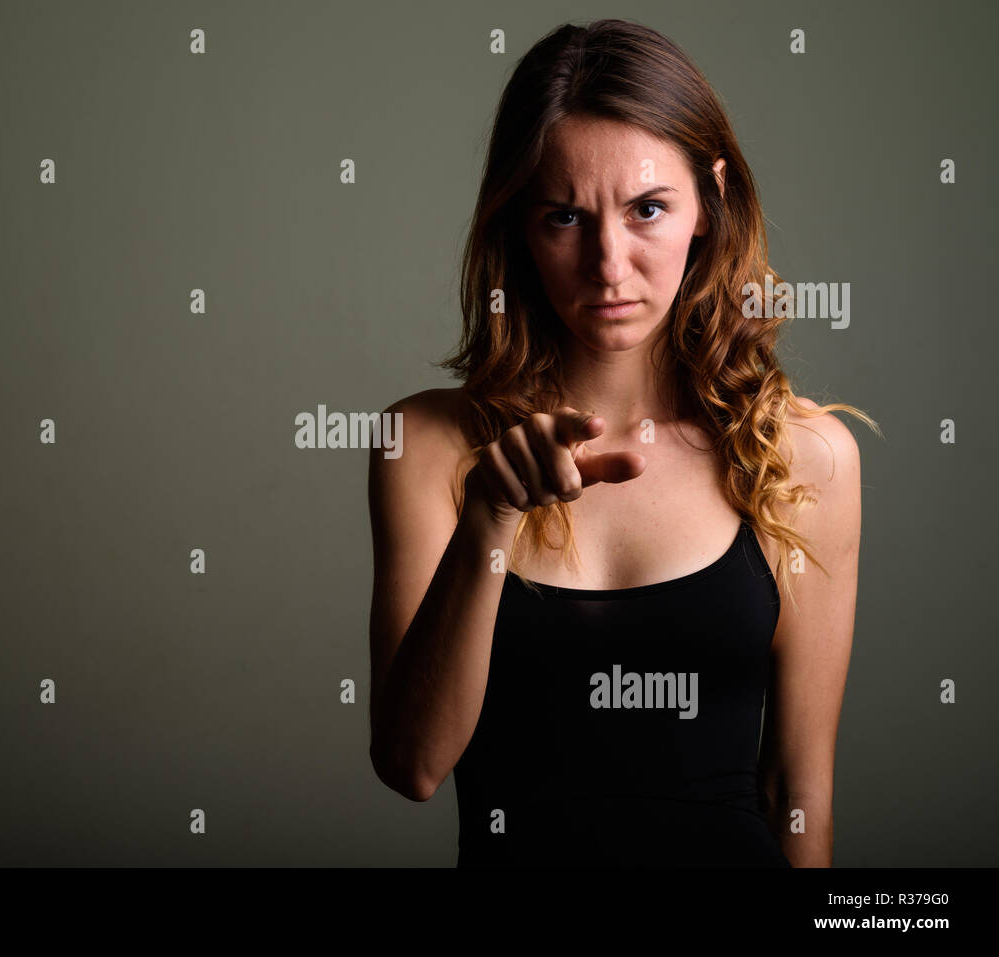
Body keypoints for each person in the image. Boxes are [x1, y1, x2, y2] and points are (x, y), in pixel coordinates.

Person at [366, 18, 879, 868]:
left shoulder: (805, 458)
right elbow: (411, 763)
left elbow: (798, 792)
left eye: (648, 209)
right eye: (565, 216)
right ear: (521, 230)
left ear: (708, 205)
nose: (609, 262)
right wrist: (490, 522)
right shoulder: (424, 444)